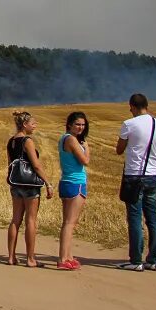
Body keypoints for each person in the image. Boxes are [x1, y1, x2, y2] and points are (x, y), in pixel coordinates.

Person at [114, 93, 156, 271]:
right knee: (152, 217)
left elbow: (119, 150)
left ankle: (136, 260)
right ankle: (153, 259)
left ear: (133, 106)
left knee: (135, 218)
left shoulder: (129, 124)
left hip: (134, 175)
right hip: (153, 175)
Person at [6, 110, 54, 268]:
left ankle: (11, 257)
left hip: (16, 184)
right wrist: (48, 183)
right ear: (25, 124)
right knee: (31, 221)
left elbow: (10, 164)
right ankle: (30, 259)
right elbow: (36, 165)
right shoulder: (28, 141)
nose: (35, 126)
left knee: (15, 220)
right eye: (33, 123)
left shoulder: (11, 142)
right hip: (30, 186)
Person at [56, 111, 91, 270]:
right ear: (70, 124)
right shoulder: (71, 139)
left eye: (83, 125)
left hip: (66, 182)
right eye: (77, 124)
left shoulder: (64, 138)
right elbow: (85, 161)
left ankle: (68, 256)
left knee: (67, 223)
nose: (80, 127)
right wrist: (86, 147)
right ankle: (63, 259)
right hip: (75, 183)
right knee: (70, 223)